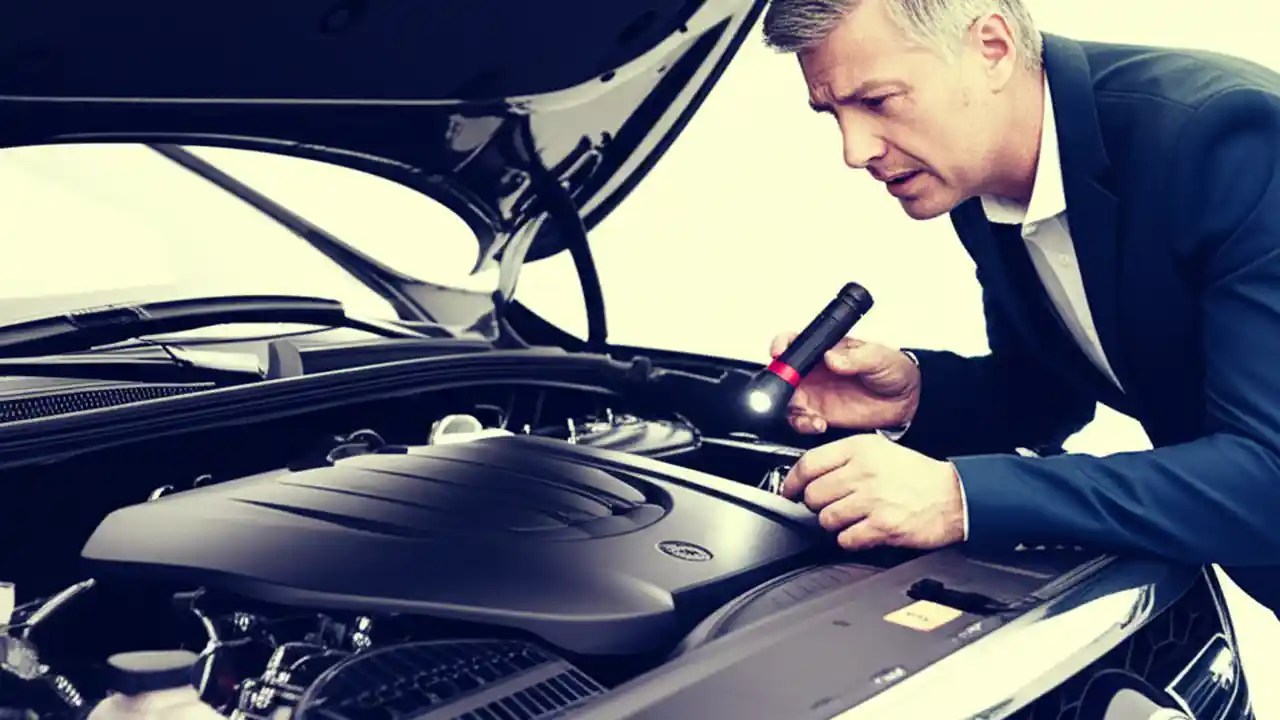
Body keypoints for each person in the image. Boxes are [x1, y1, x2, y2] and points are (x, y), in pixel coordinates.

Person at [761, 0, 1280, 616]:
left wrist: (963, 498)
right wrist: (915, 395)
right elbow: (1050, 395)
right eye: (833, 113)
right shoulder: (978, 182)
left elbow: (1270, 477)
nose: (854, 149)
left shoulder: (1229, 139)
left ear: (993, 49)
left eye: (877, 101)